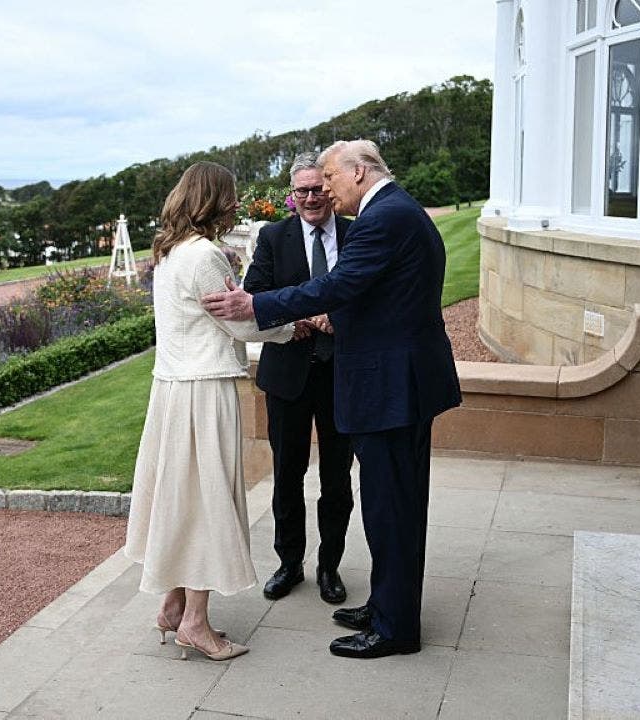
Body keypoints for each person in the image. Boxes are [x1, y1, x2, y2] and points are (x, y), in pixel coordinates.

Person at [201, 140, 461, 659]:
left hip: (392, 389)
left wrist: (257, 303)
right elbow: (382, 298)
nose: (326, 190)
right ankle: (389, 604)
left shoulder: (382, 218)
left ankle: (394, 629)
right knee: (392, 505)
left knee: (392, 508)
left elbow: (340, 284)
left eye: (331, 178)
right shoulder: (397, 210)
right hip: (397, 383)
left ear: (358, 172)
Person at [123, 161, 303, 662]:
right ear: (214, 200)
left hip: (173, 389)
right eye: (231, 196)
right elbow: (241, 325)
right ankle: (196, 625)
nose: (235, 204)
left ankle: (174, 604)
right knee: (207, 499)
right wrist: (295, 326)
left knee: (182, 494)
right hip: (204, 390)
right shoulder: (206, 257)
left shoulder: (169, 252)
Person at [243, 152, 354, 605]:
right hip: (288, 373)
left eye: (317, 189)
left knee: (337, 479)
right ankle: (290, 564)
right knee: (287, 476)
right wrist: (302, 315)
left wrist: (339, 317)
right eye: (302, 190)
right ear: (292, 195)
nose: (310, 197)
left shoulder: (354, 232)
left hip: (342, 376)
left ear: (329, 190)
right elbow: (255, 294)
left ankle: (330, 567)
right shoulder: (274, 237)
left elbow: (368, 291)